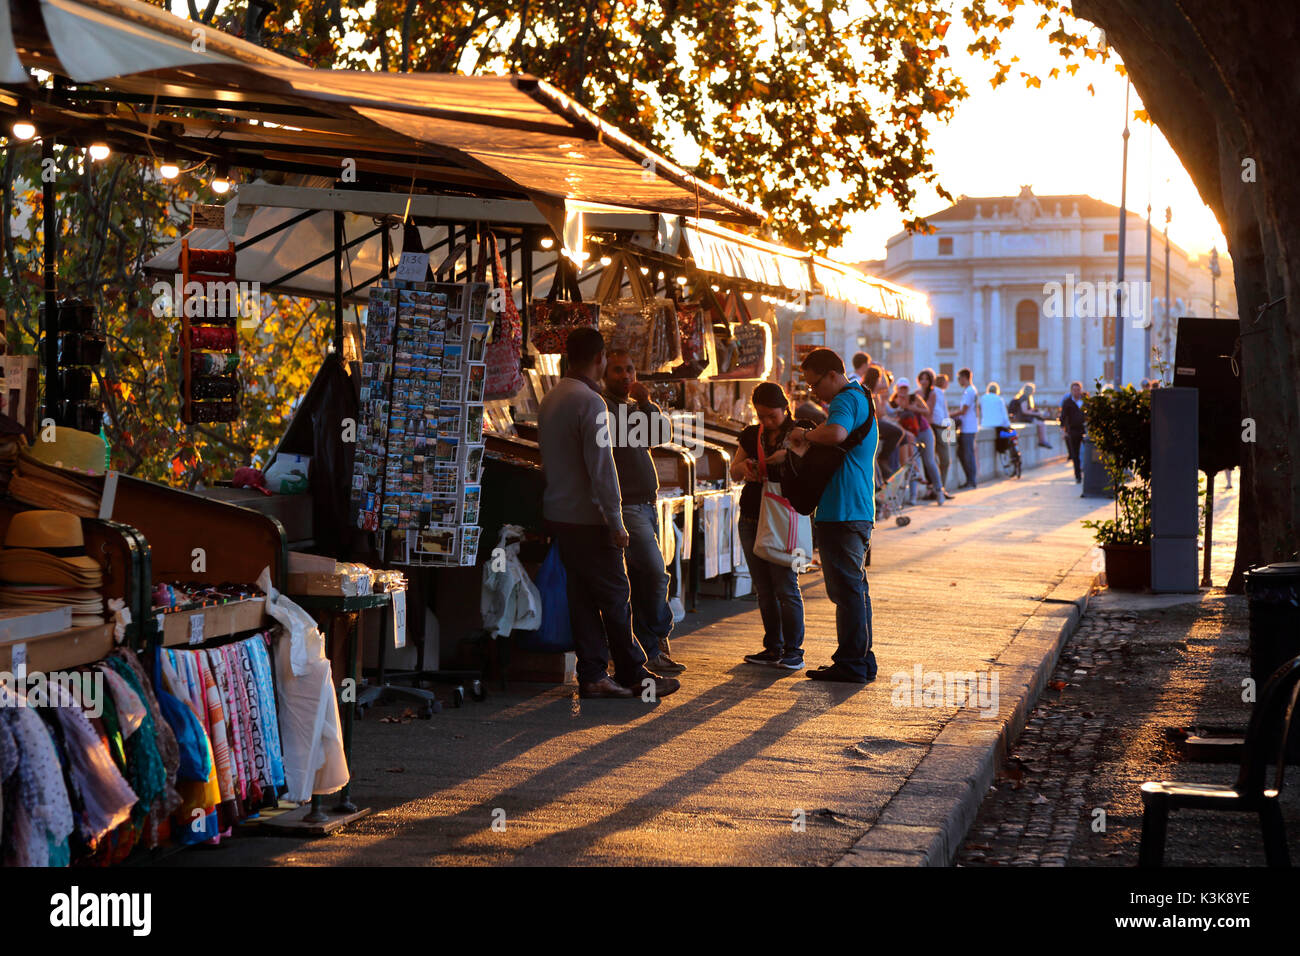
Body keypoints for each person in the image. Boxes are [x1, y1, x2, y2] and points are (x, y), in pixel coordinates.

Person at [537, 328, 679, 701]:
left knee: (583, 597)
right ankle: (634, 673)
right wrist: (615, 521)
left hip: (561, 514)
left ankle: (594, 674)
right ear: (600, 357)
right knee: (616, 595)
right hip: (590, 518)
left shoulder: (552, 397)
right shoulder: (591, 401)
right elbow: (602, 468)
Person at [788, 348, 879, 683]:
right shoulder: (862, 396)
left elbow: (837, 433)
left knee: (845, 590)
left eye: (814, 385)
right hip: (854, 507)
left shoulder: (844, 399)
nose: (814, 393)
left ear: (831, 375)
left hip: (842, 509)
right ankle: (861, 659)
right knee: (854, 588)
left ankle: (852, 662)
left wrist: (805, 435)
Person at [602, 349, 684, 674]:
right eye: (618, 370)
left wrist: (647, 403)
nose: (626, 376)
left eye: (630, 370)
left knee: (644, 576)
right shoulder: (605, 407)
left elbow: (662, 437)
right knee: (653, 572)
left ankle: (650, 649)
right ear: (605, 375)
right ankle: (659, 634)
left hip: (648, 505)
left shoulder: (633, 408)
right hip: (628, 506)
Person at [732, 383, 814, 670]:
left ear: (785, 408)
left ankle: (794, 651)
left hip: (785, 517)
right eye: (761, 416)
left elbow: (813, 466)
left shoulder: (801, 430)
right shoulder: (752, 434)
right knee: (764, 588)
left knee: (786, 585)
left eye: (772, 416)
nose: (766, 422)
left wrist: (785, 457)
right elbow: (734, 468)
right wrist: (744, 469)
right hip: (752, 516)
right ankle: (773, 646)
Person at [891, 378, 946, 505]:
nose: (903, 391)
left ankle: (939, 491)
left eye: (905, 388)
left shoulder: (914, 398)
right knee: (913, 463)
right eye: (901, 388)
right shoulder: (894, 401)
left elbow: (927, 411)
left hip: (924, 431)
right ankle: (913, 497)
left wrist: (912, 407)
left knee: (930, 462)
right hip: (910, 435)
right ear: (897, 388)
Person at [918, 368, 954, 498]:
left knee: (945, 459)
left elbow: (945, 410)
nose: (924, 381)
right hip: (928, 427)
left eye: (927, 379)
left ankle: (941, 487)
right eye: (922, 379)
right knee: (930, 461)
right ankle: (932, 489)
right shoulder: (917, 393)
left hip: (942, 427)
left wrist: (949, 429)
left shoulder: (938, 392)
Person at [955, 367, 979, 489]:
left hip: (968, 428)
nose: (958, 381)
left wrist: (947, 415)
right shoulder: (970, 390)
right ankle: (969, 480)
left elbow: (963, 411)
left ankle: (971, 481)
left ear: (964, 378)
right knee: (962, 453)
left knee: (968, 455)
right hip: (968, 427)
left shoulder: (969, 391)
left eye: (959, 378)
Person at [1008, 383, 1052, 448]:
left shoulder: (1025, 397)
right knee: (1041, 424)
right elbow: (1024, 411)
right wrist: (1036, 413)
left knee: (1041, 422)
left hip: (1024, 417)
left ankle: (1043, 441)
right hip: (1024, 418)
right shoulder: (1024, 398)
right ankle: (1042, 441)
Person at [1059, 380, 1087, 483]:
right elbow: (1063, 417)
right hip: (1073, 430)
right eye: (1074, 390)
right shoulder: (1068, 403)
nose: (1076, 392)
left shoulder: (1085, 400)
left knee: (1087, 452)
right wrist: (1063, 431)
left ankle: (1087, 472)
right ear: (1071, 391)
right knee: (1075, 454)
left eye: (1078, 390)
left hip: (1085, 429)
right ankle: (1078, 476)